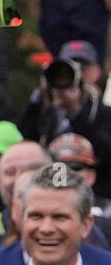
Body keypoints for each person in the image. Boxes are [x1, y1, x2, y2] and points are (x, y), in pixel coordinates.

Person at [0, 167, 111, 265]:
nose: (46, 228)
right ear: (19, 217)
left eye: (59, 217)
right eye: (36, 216)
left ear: (85, 225)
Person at [18, 53, 111, 199]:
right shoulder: (44, 108)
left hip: (97, 192)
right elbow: (24, 138)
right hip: (46, 186)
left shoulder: (101, 112)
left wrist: (76, 112)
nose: (62, 79)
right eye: (58, 74)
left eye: (68, 74)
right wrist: (39, 100)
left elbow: (105, 151)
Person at [0, 140, 53, 257]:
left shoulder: (77, 226)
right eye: (10, 172)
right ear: (0, 180)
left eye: (31, 169)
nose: (20, 178)